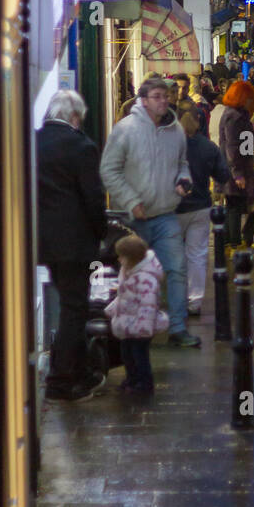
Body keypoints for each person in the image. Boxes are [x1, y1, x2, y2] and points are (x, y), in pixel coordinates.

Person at [100, 77, 200, 348]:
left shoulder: (176, 130)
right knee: (133, 276)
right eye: (157, 96)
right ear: (143, 100)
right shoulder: (126, 130)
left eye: (165, 95)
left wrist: (183, 179)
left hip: (166, 214)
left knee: (176, 269)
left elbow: (182, 163)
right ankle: (134, 331)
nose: (163, 100)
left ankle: (178, 328)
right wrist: (131, 200)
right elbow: (109, 169)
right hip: (133, 219)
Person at [36, 90, 108, 402]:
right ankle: (62, 380)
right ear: (75, 117)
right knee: (74, 308)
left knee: (70, 305)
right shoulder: (81, 146)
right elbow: (93, 198)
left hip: (41, 239)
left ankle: (76, 371)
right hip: (74, 242)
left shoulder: (33, 143)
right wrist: (101, 233)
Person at [177, 108, 230, 316]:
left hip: (175, 207)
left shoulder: (170, 147)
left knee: (175, 253)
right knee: (197, 254)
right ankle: (195, 300)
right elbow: (223, 174)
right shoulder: (209, 147)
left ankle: (176, 296)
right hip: (200, 206)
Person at [105, 234, 169, 398]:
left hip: (140, 326)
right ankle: (132, 379)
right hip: (128, 323)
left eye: (121, 256)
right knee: (127, 354)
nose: (118, 259)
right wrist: (113, 309)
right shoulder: (128, 271)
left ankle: (144, 383)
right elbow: (123, 296)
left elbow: (148, 305)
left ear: (131, 259)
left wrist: (143, 327)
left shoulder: (145, 279)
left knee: (139, 356)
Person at [219, 79, 254, 250]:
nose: (251, 100)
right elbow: (233, 146)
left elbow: (246, 144)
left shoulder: (240, 114)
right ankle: (233, 243)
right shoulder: (234, 117)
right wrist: (238, 174)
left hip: (241, 165)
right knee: (233, 204)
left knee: (234, 204)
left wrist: (252, 131)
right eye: (248, 97)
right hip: (235, 167)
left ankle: (231, 241)